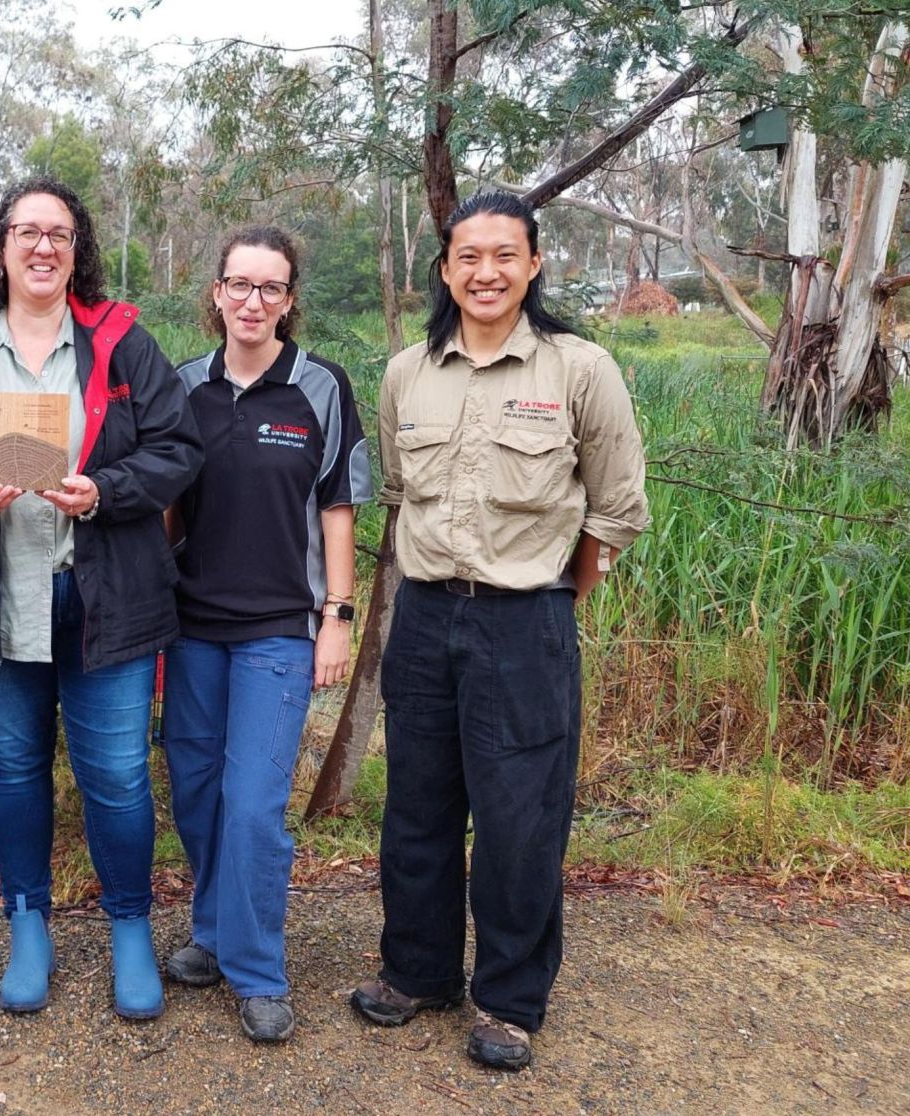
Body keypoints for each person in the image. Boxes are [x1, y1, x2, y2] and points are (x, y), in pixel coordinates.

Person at [0, 177, 202, 1019]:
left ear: (77, 248)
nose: (43, 247)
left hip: (106, 600)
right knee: (15, 771)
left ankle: (130, 926)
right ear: (2, 246)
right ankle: (29, 923)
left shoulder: (120, 341)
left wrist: (107, 490)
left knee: (120, 779)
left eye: (59, 233)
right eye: (27, 232)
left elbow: (178, 447)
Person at [350, 191, 649, 1070]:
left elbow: (617, 507)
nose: (485, 272)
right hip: (427, 614)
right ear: (444, 268)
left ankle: (510, 1001)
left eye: (504, 256)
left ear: (533, 264)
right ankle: (416, 973)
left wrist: (555, 596)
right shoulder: (407, 371)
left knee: (521, 819)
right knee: (417, 807)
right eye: (467, 257)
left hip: (526, 623)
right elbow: (400, 494)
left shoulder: (579, 369)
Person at [163, 226, 372, 1042]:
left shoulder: (320, 388)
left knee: (253, 806)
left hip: (280, 632)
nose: (253, 302)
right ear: (215, 293)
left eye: (270, 288)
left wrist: (338, 617)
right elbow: (166, 504)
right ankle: (212, 934)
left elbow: (338, 510)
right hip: (190, 629)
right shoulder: (184, 386)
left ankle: (257, 971)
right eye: (238, 285)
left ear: (289, 300)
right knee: (197, 795)